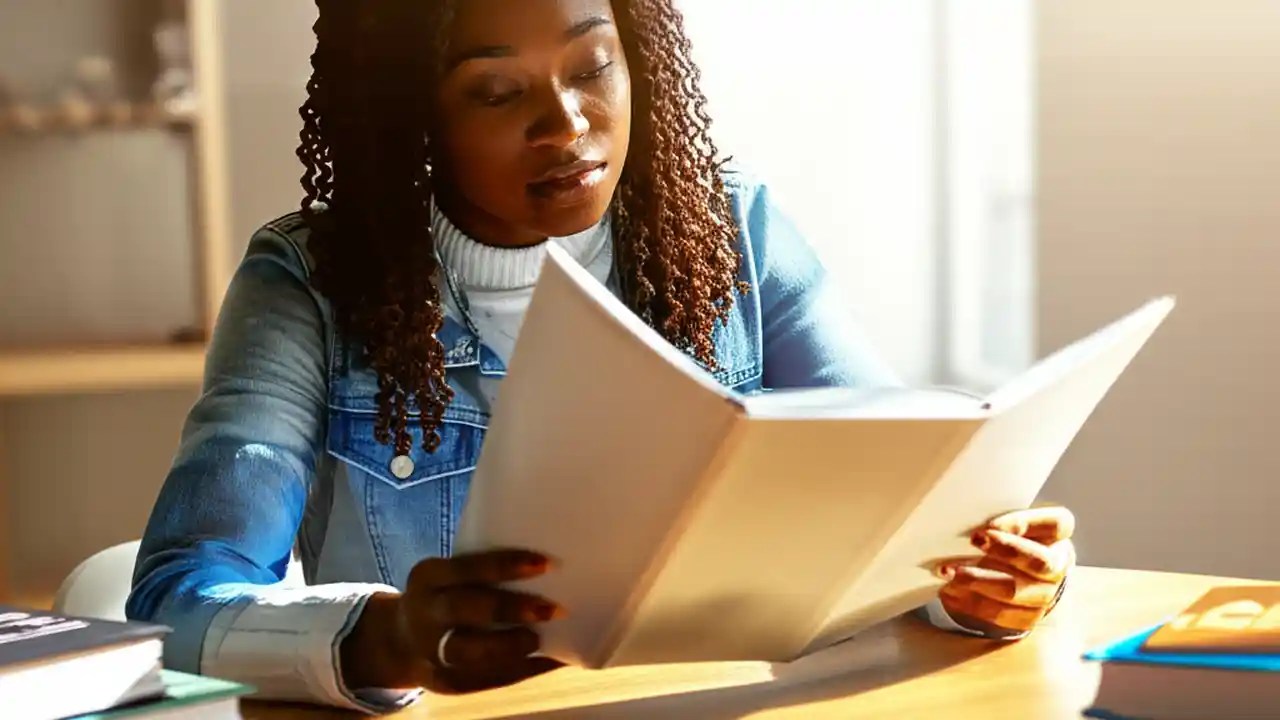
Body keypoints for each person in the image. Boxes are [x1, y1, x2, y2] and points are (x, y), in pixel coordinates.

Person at [126, 0, 1075, 712]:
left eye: (592, 66)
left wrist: (980, 588)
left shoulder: (733, 236)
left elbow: (901, 497)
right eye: (498, 91)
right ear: (411, 110)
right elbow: (179, 606)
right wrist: (393, 642)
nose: (567, 124)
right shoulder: (310, 283)